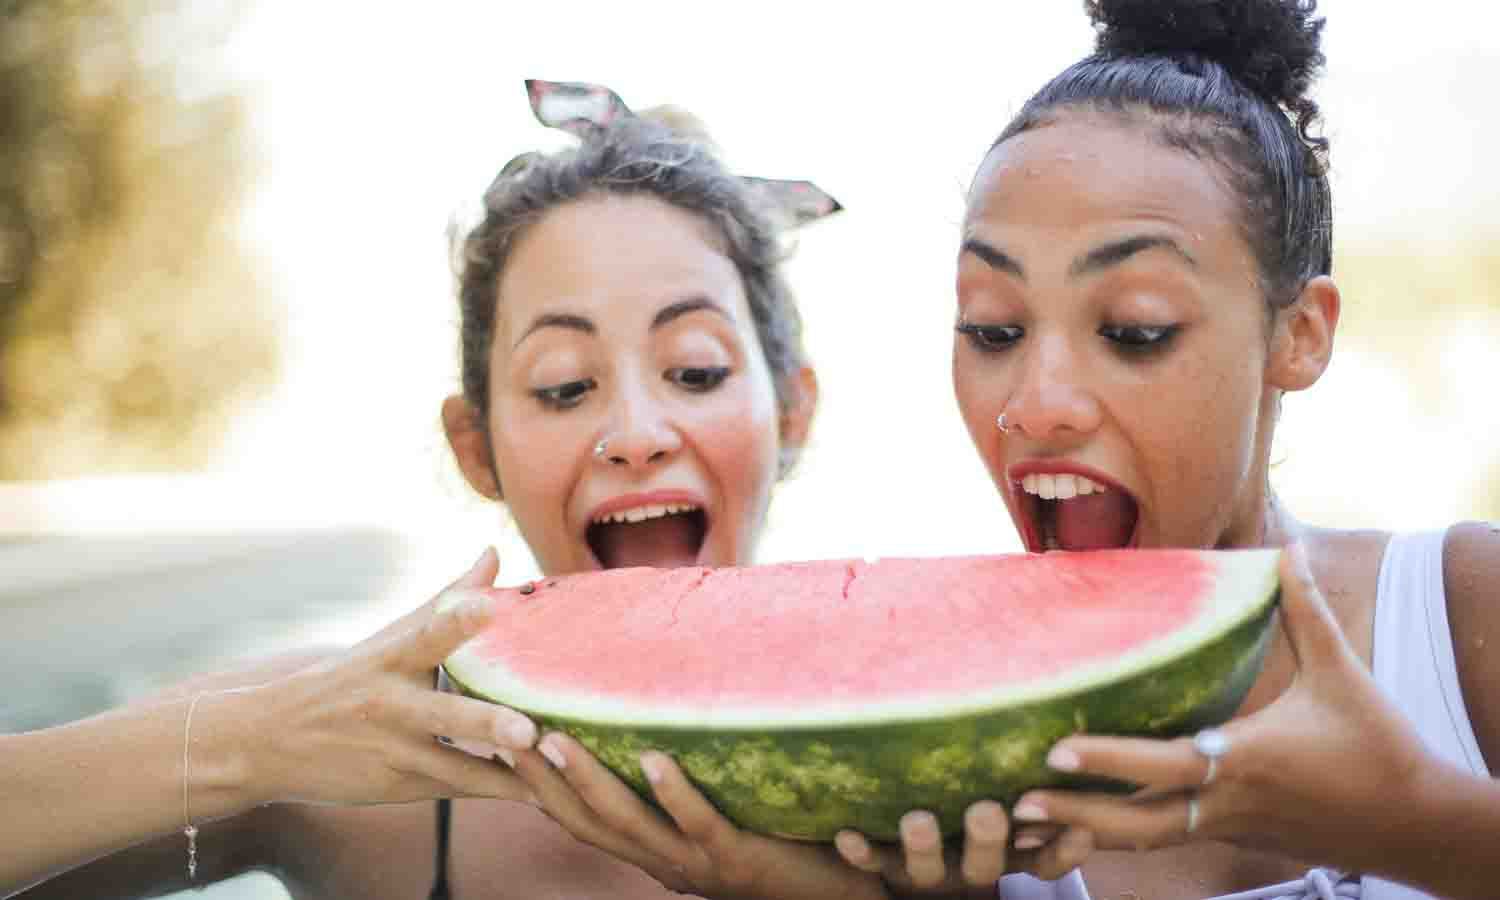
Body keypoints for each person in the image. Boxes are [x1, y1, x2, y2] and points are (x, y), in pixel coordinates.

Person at [18, 81, 971, 900]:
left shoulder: (938, 767)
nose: (636, 434)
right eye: (564, 386)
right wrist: (258, 747)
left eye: (694, 370)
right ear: (476, 448)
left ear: (792, 411)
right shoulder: (344, 753)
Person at [818, 1, 1496, 897]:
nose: (1036, 405)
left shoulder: (1461, 610)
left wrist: (1417, 824)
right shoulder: (922, 738)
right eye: (993, 330)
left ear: (1298, 335)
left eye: (1135, 330)